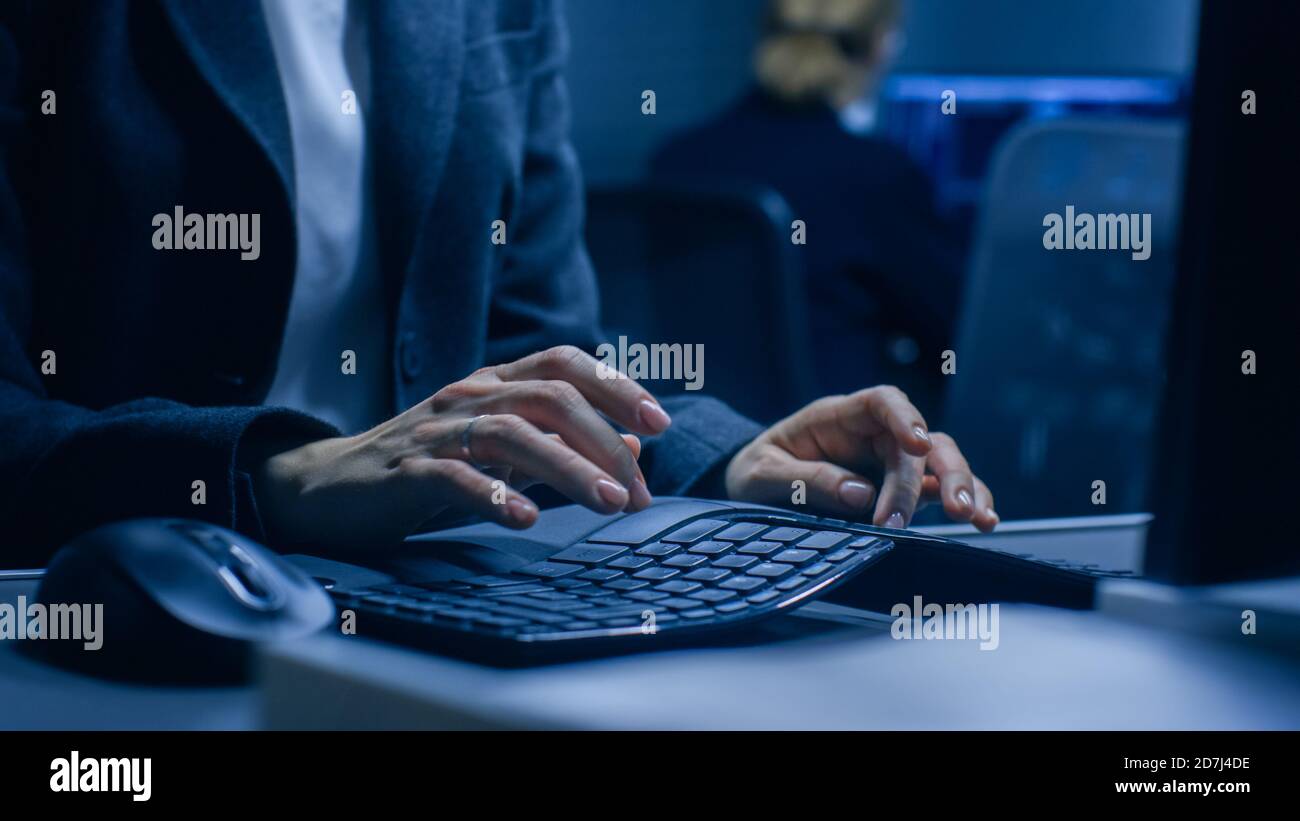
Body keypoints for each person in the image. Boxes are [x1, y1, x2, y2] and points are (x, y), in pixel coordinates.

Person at [0, 0, 996, 568]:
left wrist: (727, 462)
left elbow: (544, 353)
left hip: (434, 594)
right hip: (98, 600)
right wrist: (276, 476)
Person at [652, 0, 962, 409]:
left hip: (694, 443)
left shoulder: (675, 160)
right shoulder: (879, 174)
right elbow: (952, 332)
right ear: (881, 44)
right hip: (829, 449)